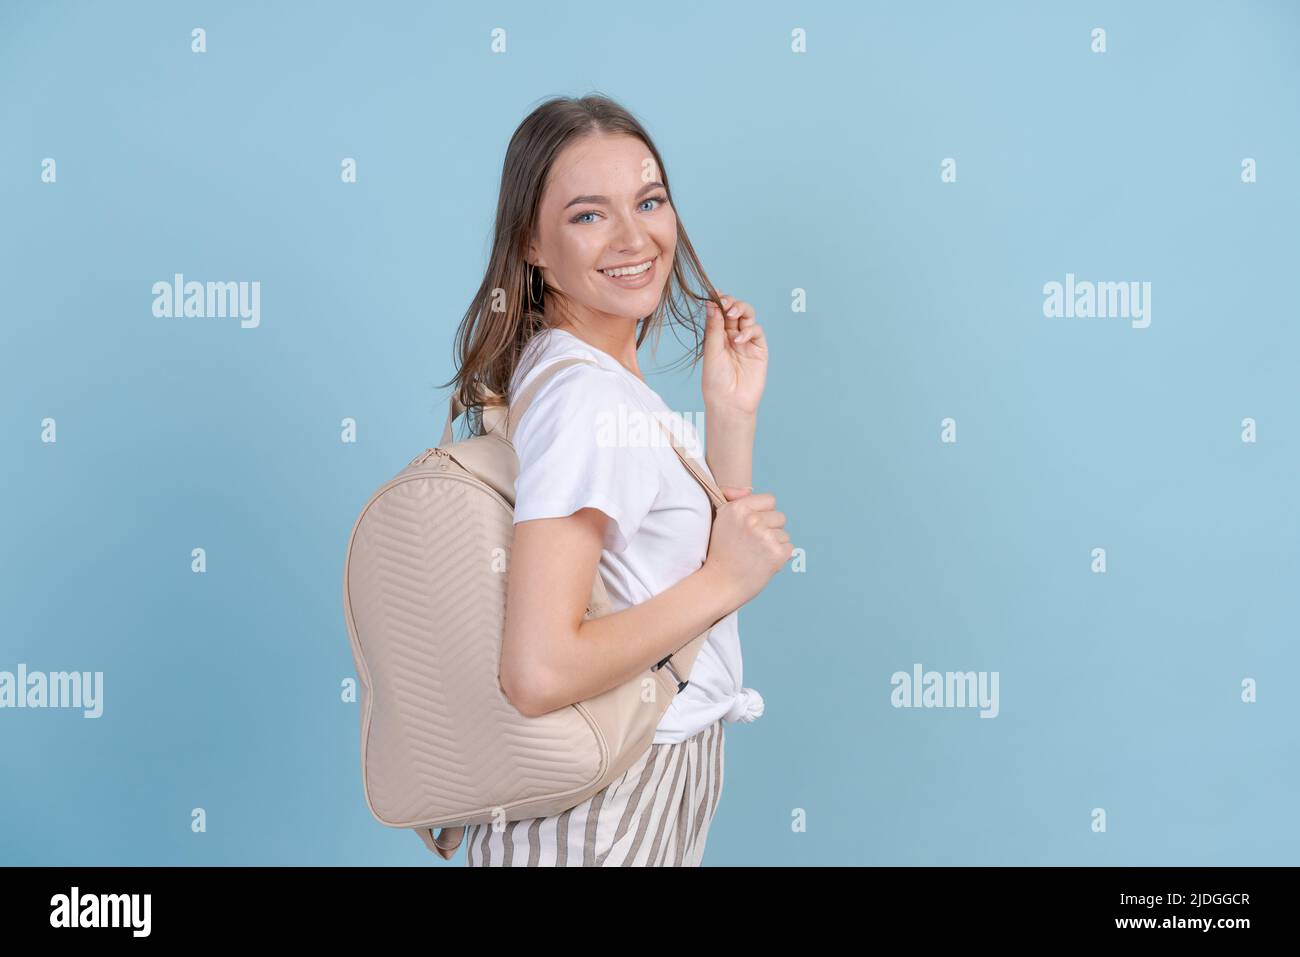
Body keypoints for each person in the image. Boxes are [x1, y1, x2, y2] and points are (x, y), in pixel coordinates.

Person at [439, 94, 791, 866]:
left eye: (650, 200)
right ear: (531, 243)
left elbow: (666, 572)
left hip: (637, 788)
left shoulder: (584, 375)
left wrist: (728, 416)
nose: (636, 238)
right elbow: (537, 671)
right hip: (607, 806)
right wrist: (726, 581)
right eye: (589, 215)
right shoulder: (585, 397)